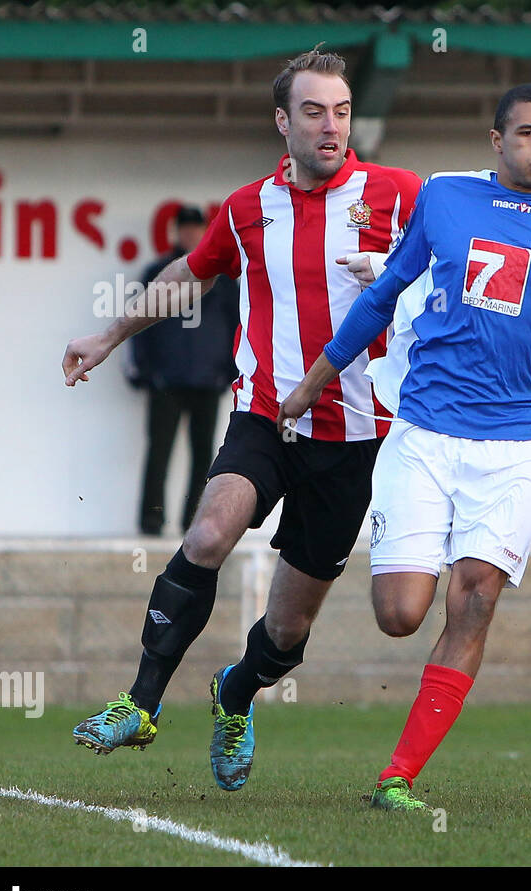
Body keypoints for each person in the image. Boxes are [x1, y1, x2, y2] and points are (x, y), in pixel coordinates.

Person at [278, 84, 531, 812]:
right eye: (528, 133)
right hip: (425, 436)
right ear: (497, 140)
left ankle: (397, 778)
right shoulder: (445, 197)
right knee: (399, 613)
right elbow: (382, 294)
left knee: (476, 602)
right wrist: (313, 383)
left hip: (514, 449)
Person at [61, 48, 423, 792]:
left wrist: (397, 274)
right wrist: (106, 336)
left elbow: (459, 272)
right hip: (267, 417)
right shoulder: (247, 208)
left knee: (287, 631)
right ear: (282, 121)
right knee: (209, 531)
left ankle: (235, 693)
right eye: (315, 112)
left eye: (343, 111)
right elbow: (184, 278)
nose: (331, 127)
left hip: (357, 435)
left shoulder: (401, 195)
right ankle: (141, 703)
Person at [127, 206, 239, 536]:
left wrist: (228, 374)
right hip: (166, 381)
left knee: (203, 456)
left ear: (204, 231)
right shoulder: (157, 272)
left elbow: (238, 326)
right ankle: (151, 522)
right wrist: (146, 373)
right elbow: (138, 322)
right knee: (158, 451)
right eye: (185, 228)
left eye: (196, 228)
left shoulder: (222, 277)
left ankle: (194, 524)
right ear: (176, 232)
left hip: (208, 381)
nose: (191, 234)